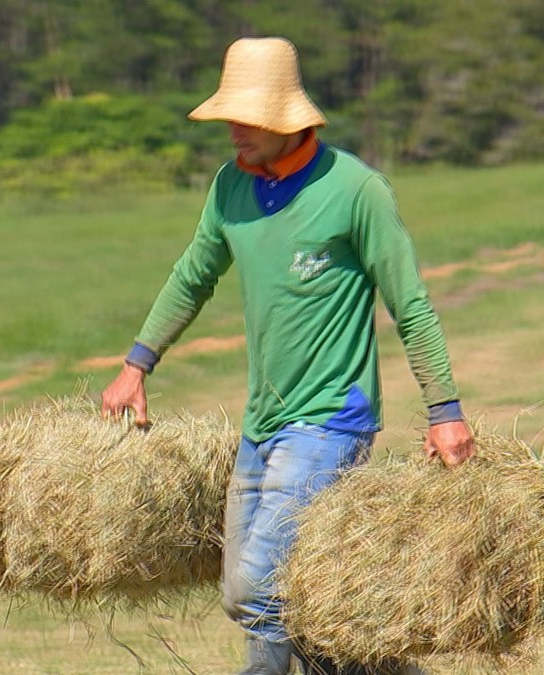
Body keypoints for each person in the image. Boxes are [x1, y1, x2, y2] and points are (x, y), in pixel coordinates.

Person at [100, 36, 475, 675]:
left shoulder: (356, 190)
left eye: (246, 117)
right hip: (262, 423)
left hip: (332, 419)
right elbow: (193, 274)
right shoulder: (229, 189)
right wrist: (137, 364)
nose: (232, 130)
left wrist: (445, 410)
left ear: (284, 117)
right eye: (229, 116)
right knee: (254, 597)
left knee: (261, 587)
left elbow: (409, 304)